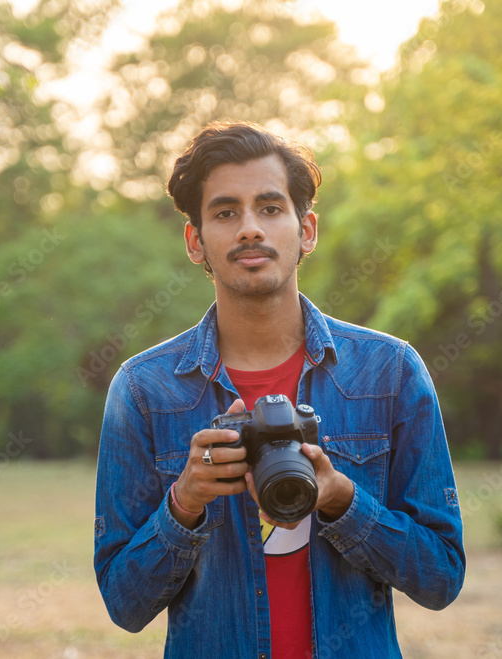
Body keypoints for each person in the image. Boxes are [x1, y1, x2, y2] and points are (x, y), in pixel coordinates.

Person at [94, 120, 464, 658]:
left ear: (306, 229)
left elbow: (441, 578)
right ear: (196, 240)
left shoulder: (390, 373)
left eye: (270, 208)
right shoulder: (144, 390)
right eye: (225, 212)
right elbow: (124, 605)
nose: (249, 229)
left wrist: (341, 499)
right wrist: (185, 500)